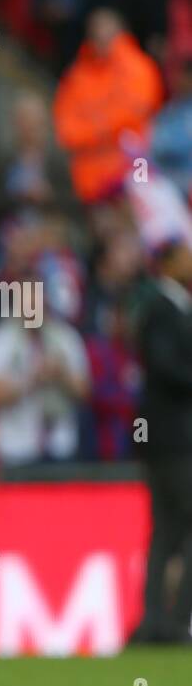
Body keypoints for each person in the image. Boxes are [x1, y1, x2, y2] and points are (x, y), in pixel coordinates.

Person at [129, 241, 192, 646]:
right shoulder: (159, 310)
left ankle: (159, 623)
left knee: (167, 530)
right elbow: (164, 367)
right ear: (168, 263)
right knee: (172, 527)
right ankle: (170, 620)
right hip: (171, 440)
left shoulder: (176, 306)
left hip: (175, 439)